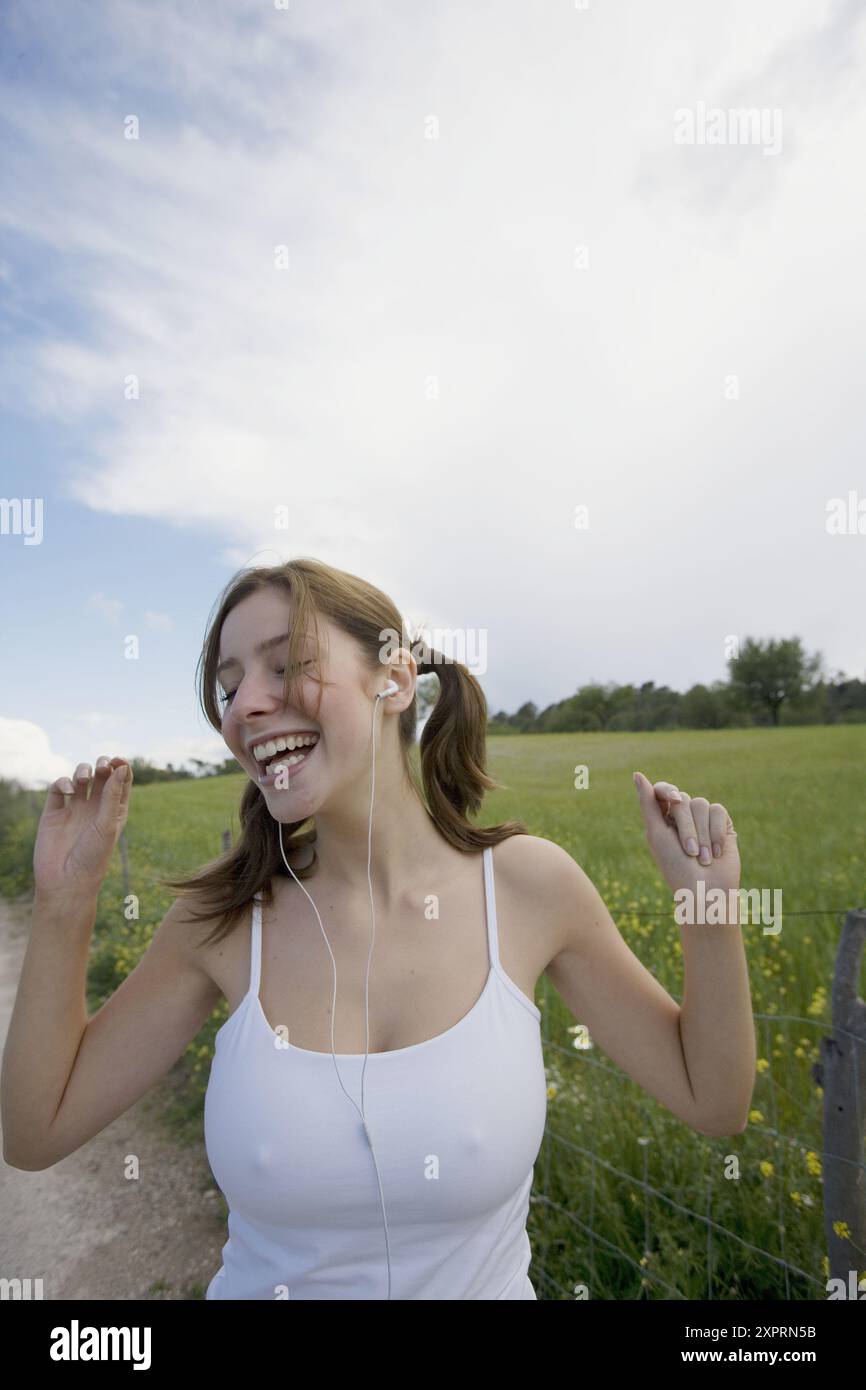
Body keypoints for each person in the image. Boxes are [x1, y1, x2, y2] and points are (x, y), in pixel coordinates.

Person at [1, 556, 754, 1300]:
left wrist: (710, 909)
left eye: (285, 665)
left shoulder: (530, 887)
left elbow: (712, 1100)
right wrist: (66, 903)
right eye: (228, 688)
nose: (244, 708)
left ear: (393, 680)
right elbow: (37, 1134)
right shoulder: (223, 922)